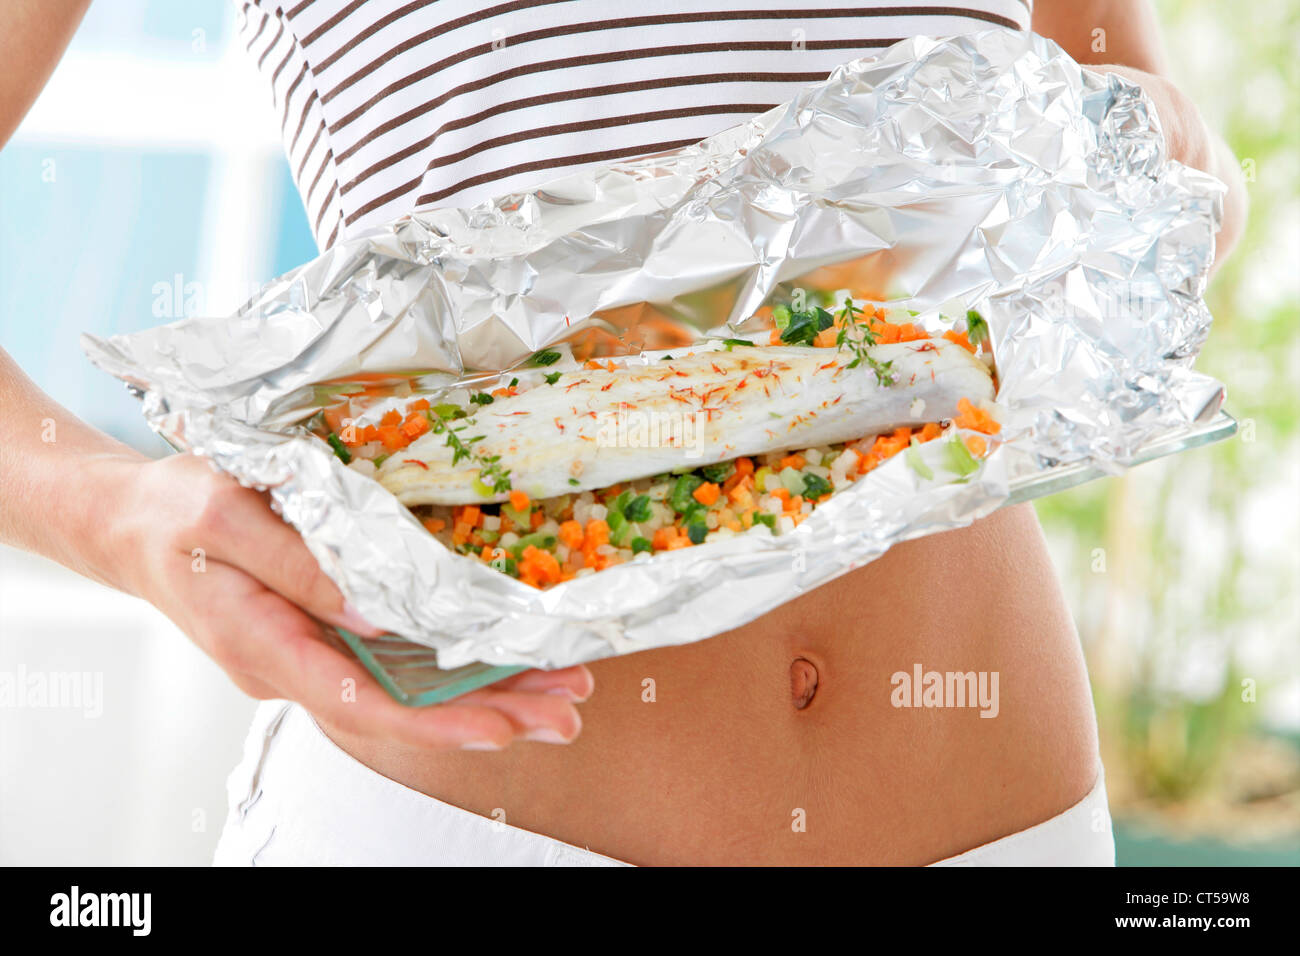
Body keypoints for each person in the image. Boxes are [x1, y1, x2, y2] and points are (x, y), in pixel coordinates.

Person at [0, 0, 1246, 866]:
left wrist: (1169, 150)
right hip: (479, 830)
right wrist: (112, 510)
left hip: (1005, 821)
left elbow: (1144, 119)